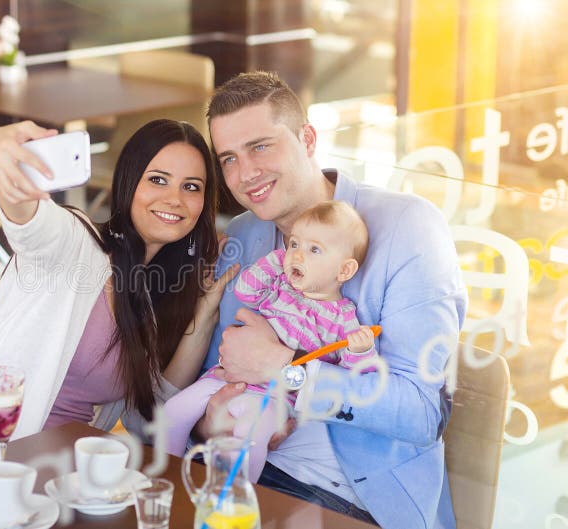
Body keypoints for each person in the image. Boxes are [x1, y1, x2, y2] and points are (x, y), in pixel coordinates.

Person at [194, 72, 467, 529]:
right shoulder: (243, 235)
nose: (245, 174)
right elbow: (221, 372)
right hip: (241, 471)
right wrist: (210, 420)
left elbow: (421, 413)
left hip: (349, 499)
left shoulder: (408, 228)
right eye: (229, 158)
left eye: (260, 146)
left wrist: (287, 370)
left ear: (308, 139)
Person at [0, 118, 239, 455]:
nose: (175, 199)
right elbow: (30, 224)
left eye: (191, 187)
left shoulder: (150, 296)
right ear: (129, 182)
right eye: (158, 180)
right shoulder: (75, 241)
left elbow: (152, 415)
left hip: (68, 471)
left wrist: (204, 314)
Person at [163, 200, 377, 482]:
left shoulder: (343, 317)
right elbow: (245, 291)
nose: (297, 255)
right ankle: (165, 478)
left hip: (274, 398)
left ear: (344, 271)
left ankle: (233, 497)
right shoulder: (281, 288)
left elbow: (354, 377)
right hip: (227, 378)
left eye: (314, 250)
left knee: (249, 437)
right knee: (174, 410)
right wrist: (275, 260)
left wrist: (362, 349)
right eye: (294, 244)